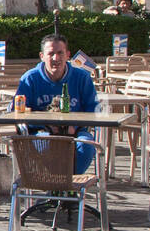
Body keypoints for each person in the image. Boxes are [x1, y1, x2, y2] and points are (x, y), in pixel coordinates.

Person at [16, 34, 100, 172]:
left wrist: (75, 126)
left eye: (60, 53)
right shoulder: (30, 78)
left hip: (76, 130)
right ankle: (55, 183)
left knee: (87, 146)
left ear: (68, 55)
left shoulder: (82, 77)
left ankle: (69, 184)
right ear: (42, 56)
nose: (56, 58)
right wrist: (47, 126)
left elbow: (93, 109)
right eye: (51, 54)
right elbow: (18, 111)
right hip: (41, 131)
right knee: (46, 144)